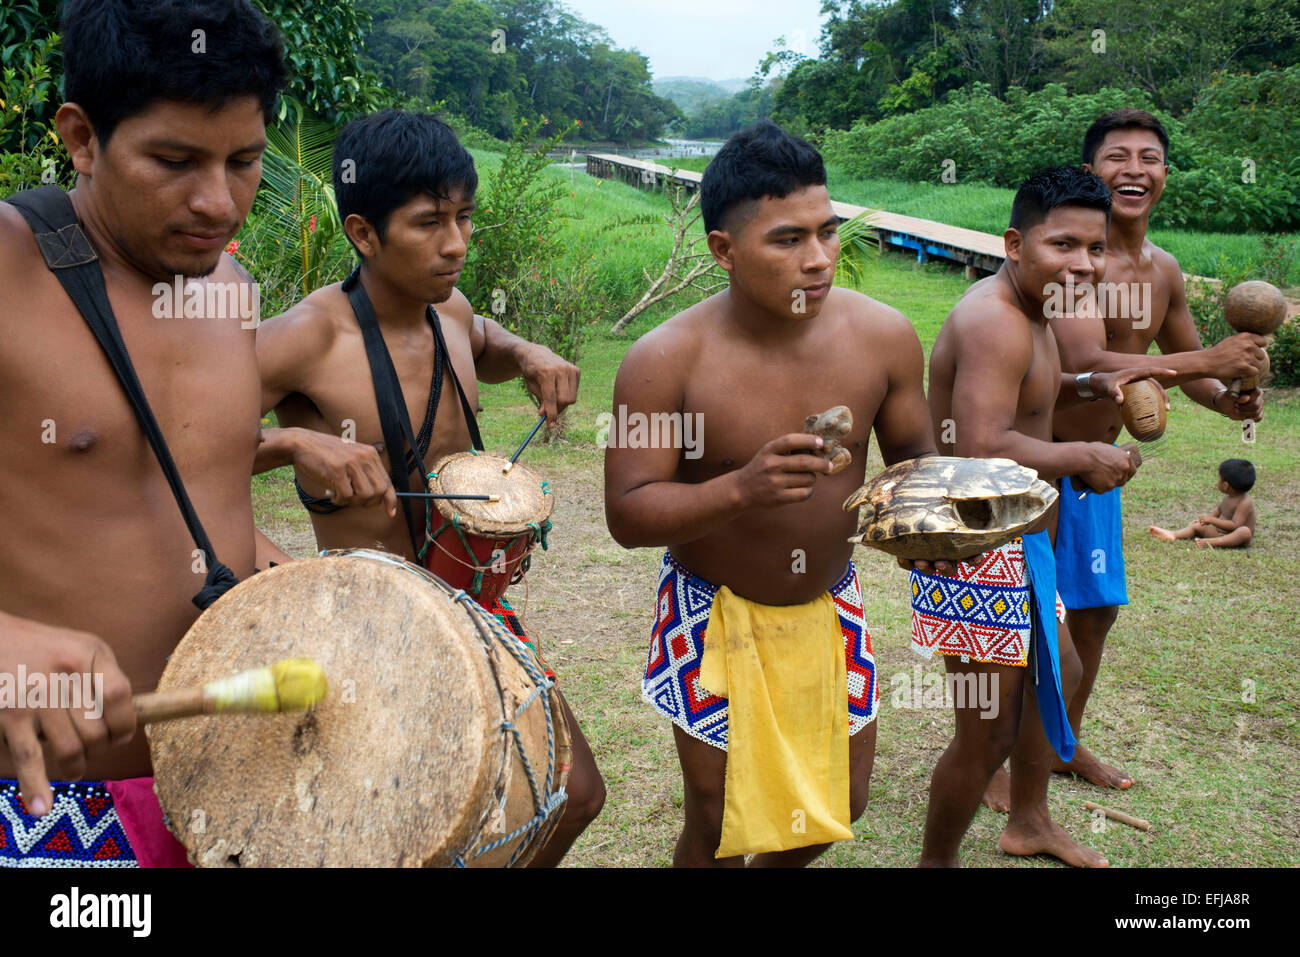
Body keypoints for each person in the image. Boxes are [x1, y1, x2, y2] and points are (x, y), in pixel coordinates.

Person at [605, 120, 976, 868]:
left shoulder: (884, 337)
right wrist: (741, 488)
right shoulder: (661, 361)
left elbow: (914, 462)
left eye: (828, 232)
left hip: (828, 603)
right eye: (786, 241)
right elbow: (628, 512)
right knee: (715, 820)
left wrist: (934, 531)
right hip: (712, 611)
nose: (818, 260)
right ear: (723, 250)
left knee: (836, 803)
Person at [253, 109, 603, 867]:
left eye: (464, 217)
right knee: (408, 838)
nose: (456, 242)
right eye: (429, 223)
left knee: (575, 794)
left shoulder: (453, 310)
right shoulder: (306, 336)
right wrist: (287, 440)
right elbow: (183, 443)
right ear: (363, 232)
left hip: (477, 609)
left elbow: (487, 344)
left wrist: (531, 350)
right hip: (372, 627)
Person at [0, 0, 299, 866]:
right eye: (174, 160)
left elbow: (190, 503)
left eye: (245, 161)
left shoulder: (228, 290)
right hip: (51, 810)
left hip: (228, 783)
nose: (218, 200)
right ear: (82, 137)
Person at [916, 165, 1175, 867]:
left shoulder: (1034, 311)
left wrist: (1095, 380)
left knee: (1054, 671)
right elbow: (981, 443)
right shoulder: (993, 321)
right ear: (1014, 243)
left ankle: (1029, 820)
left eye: (1095, 248)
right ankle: (935, 862)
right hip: (976, 541)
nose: (1084, 263)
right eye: (1064, 244)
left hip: (1021, 539)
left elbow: (1034, 388)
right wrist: (1083, 451)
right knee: (987, 736)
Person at [1037, 109, 1270, 796]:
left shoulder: (1162, 268)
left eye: (1150, 158)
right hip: (1040, 458)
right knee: (1038, 628)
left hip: (1101, 468)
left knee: (1095, 614)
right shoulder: (1073, 256)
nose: (1134, 170)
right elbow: (1083, 358)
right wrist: (1211, 356)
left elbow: (1183, 364)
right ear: (1090, 171)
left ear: (1164, 175)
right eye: (1117, 156)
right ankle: (1007, 762)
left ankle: (1061, 746)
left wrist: (1226, 396)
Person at [1150, 459, 1256, 548]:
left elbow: (1235, 525)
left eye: (1218, 478)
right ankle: (1173, 534)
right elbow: (1219, 510)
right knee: (1196, 526)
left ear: (1225, 485)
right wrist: (1205, 521)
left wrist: (1211, 520)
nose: (1216, 482)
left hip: (1235, 537)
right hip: (1219, 532)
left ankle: (1213, 543)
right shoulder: (1228, 496)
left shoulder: (1244, 502)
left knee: (1244, 532)